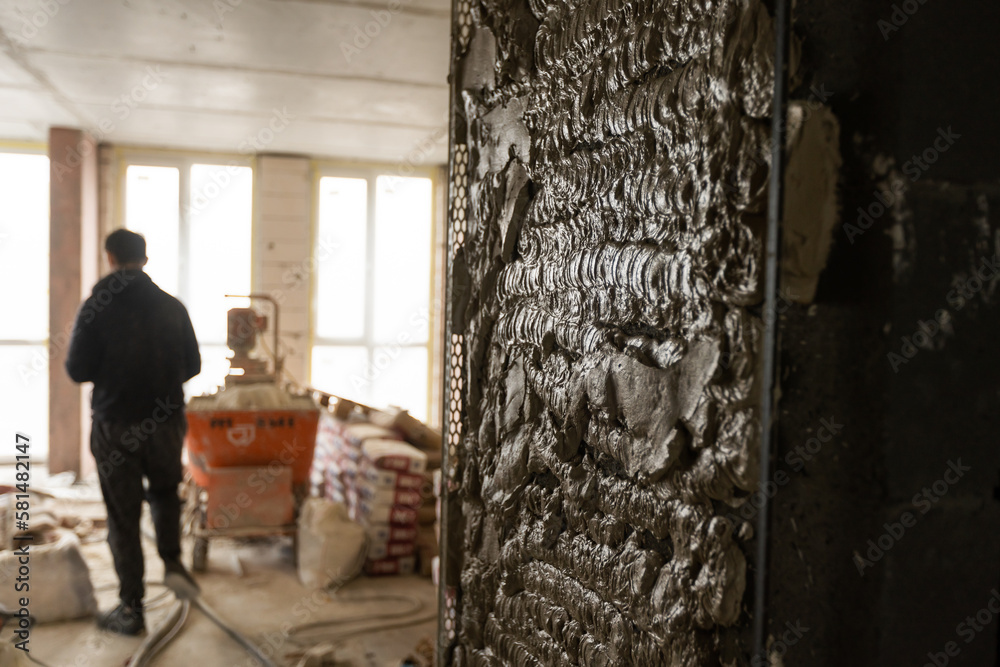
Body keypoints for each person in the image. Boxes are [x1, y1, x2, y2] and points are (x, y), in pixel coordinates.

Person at [66, 229, 201, 635]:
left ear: (110, 257)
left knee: (122, 516)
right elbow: (193, 365)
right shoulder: (171, 306)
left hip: (116, 424)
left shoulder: (97, 306)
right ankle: (174, 562)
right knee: (163, 493)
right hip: (165, 421)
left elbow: (77, 370)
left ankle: (131, 609)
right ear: (144, 259)